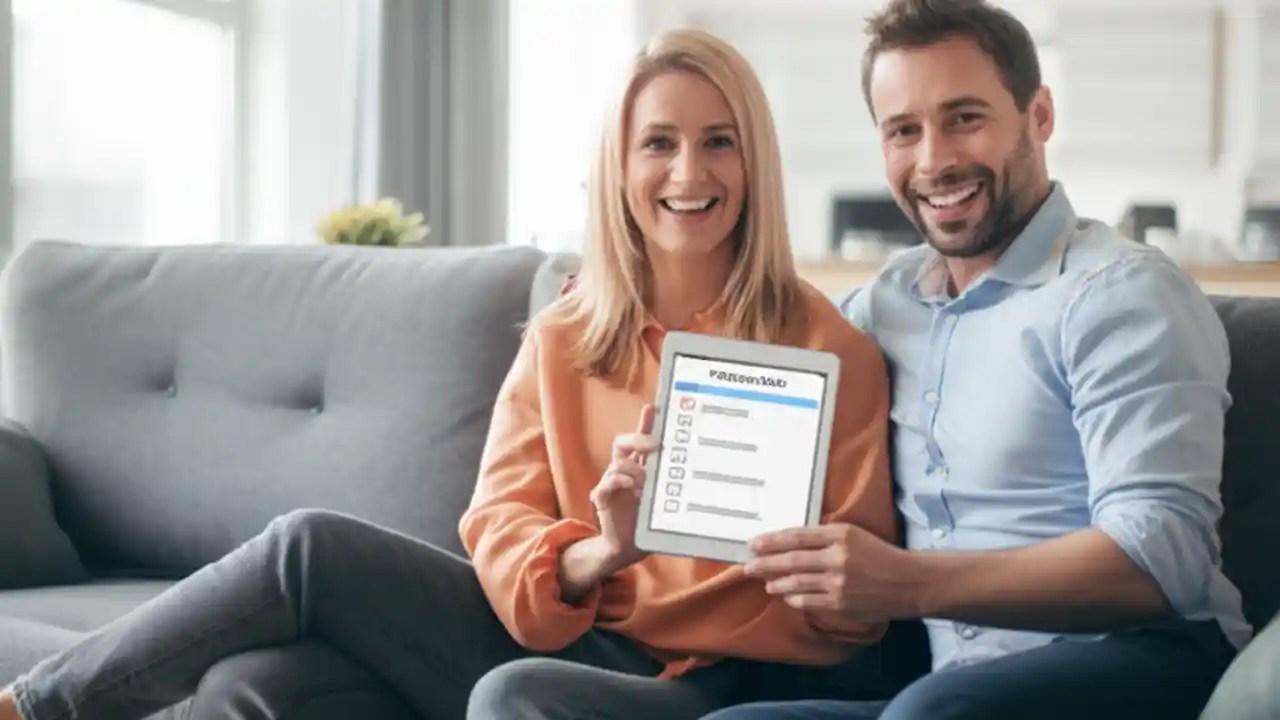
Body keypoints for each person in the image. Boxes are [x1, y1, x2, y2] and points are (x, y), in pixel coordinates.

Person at [0, 28, 898, 720]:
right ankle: (31, 708)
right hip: (577, 627)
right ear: (622, 167)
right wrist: (604, 548)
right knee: (272, 639)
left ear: (756, 163)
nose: (689, 172)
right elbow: (496, 524)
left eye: (720, 142)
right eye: (659, 143)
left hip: (716, 680)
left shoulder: (827, 352)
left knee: (515, 701)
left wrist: (787, 559)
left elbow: (857, 618)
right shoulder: (565, 337)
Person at [703, 1, 1253, 719]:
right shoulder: (881, 306)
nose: (933, 161)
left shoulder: (1118, 292)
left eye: (964, 118)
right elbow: (763, 395)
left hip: (1143, 659)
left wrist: (907, 583)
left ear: (1040, 115)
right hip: (949, 689)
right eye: (904, 130)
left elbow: (1165, 559)